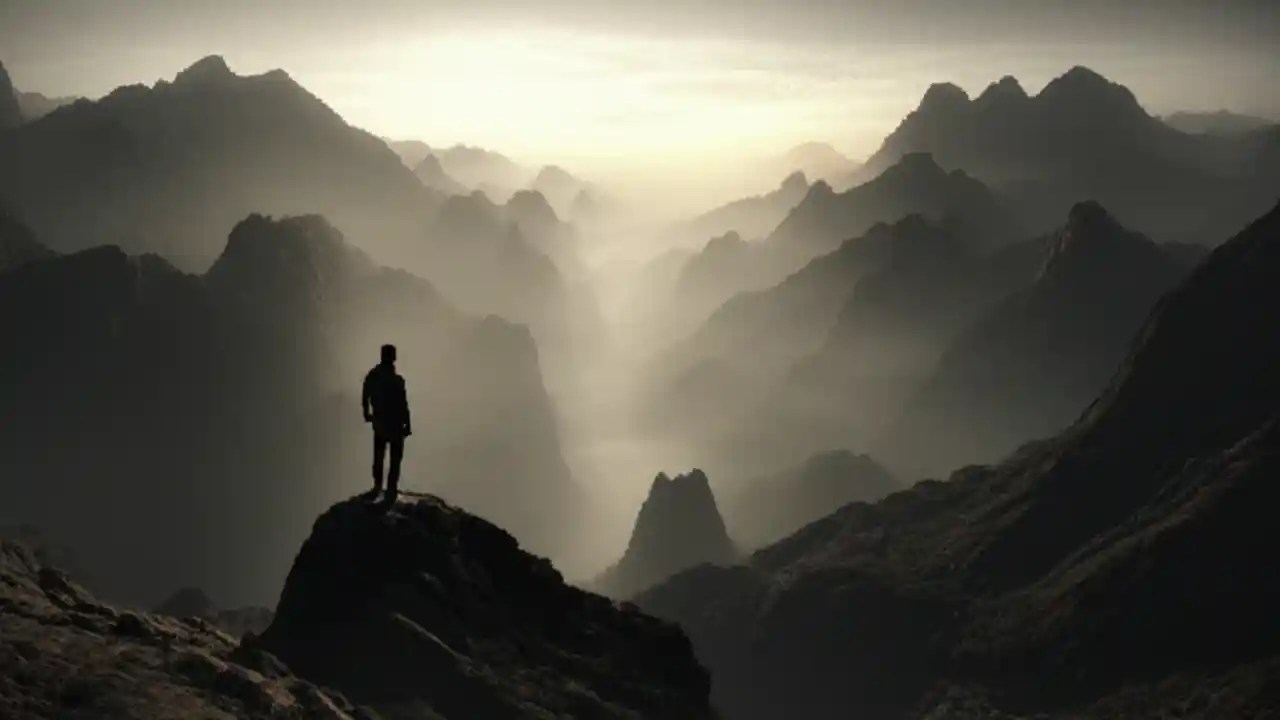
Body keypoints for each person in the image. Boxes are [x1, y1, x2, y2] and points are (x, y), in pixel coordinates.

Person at [362, 344, 411, 498]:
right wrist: (407, 423)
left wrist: (367, 413)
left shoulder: (375, 375)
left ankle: (379, 487)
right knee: (393, 457)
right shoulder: (397, 380)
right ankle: (390, 488)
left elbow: (365, 394)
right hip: (393, 422)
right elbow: (403, 403)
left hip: (381, 421)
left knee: (379, 455)